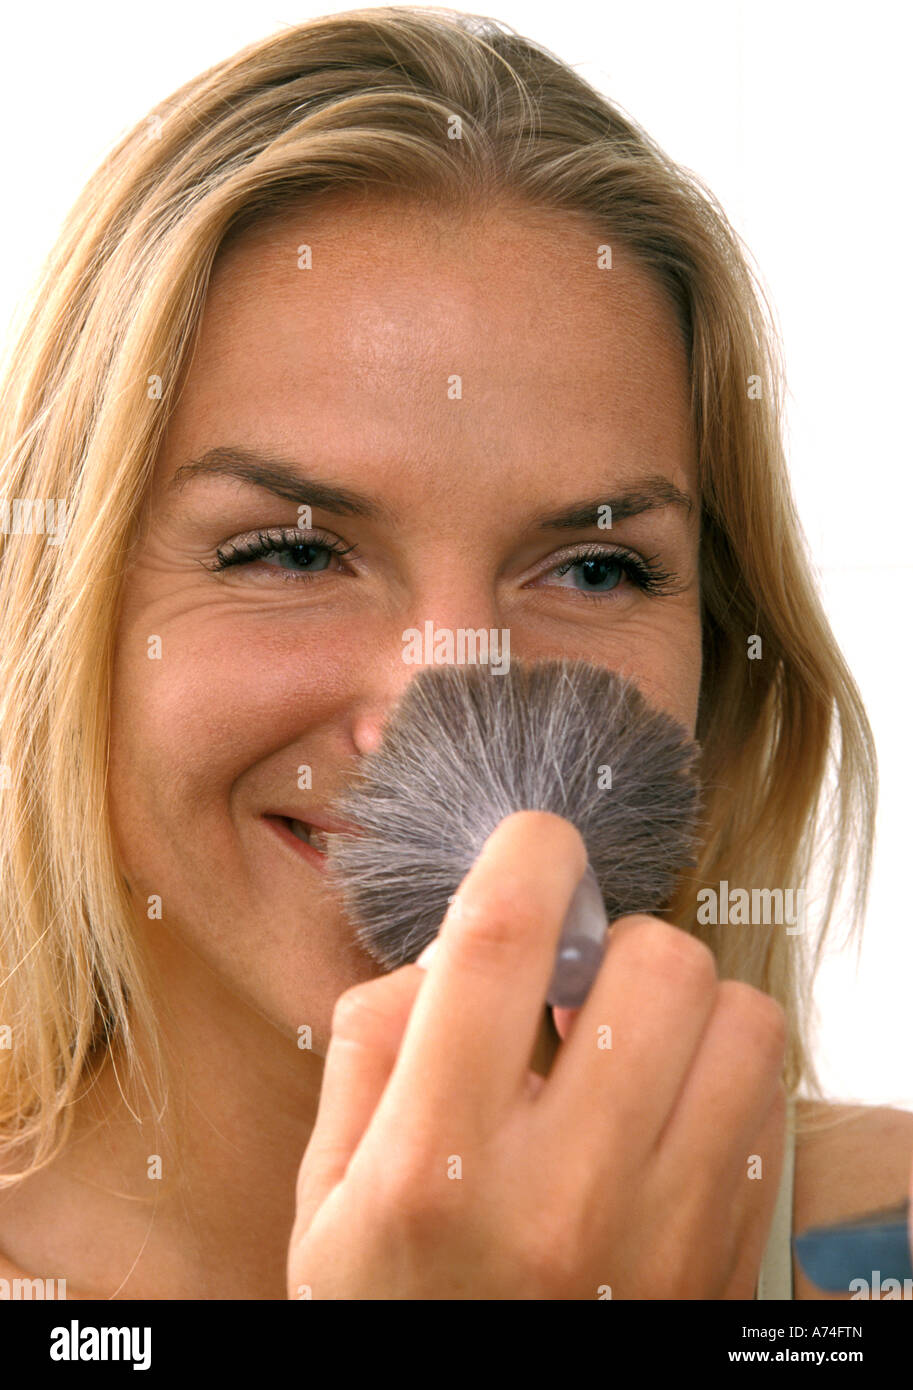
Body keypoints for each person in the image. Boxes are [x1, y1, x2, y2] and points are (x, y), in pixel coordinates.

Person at [0, 7, 910, 1301]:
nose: (436, 702)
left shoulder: (881, 1250)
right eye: (291, 552)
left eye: (593, 567)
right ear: (59, 610)